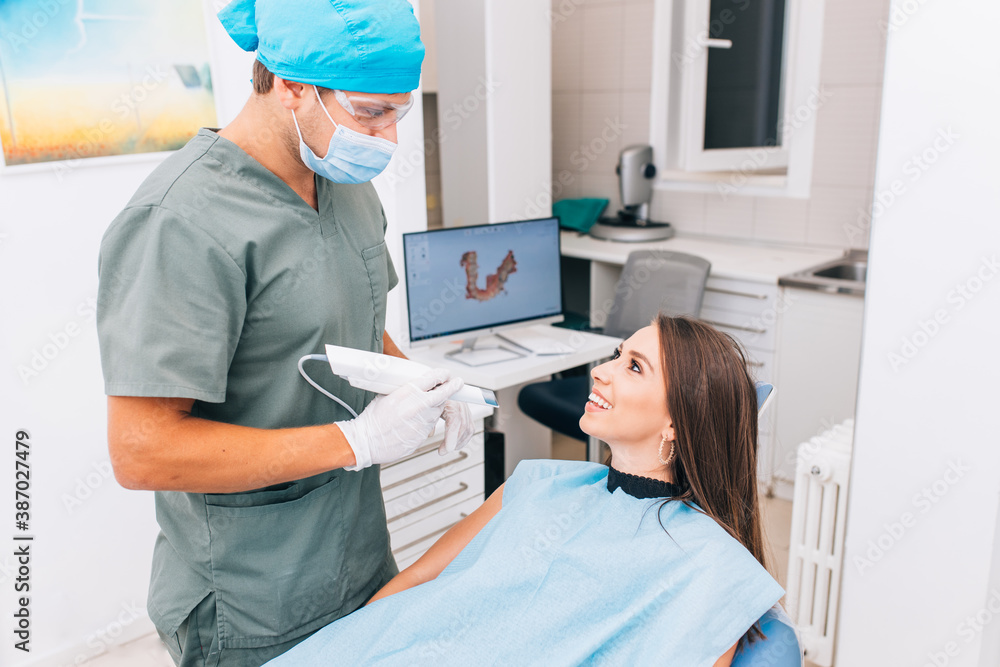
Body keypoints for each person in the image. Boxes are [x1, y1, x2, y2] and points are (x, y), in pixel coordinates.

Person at [95, 1, 474, 665]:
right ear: (291, 85)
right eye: (369, 112)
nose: (387, 138)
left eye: (398, 112)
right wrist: (355, 439)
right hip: (250, 593)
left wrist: (422, 382)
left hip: (357, 554)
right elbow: (141, 449)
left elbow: (358, 321)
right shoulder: (179, 222)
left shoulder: (344, 183)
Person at [263, 315, 785, 666]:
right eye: (618, 354)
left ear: (677, 423)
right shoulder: (539, 481)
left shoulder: (712, 568)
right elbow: (420, 578)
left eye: (633, 367)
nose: (599, 373)